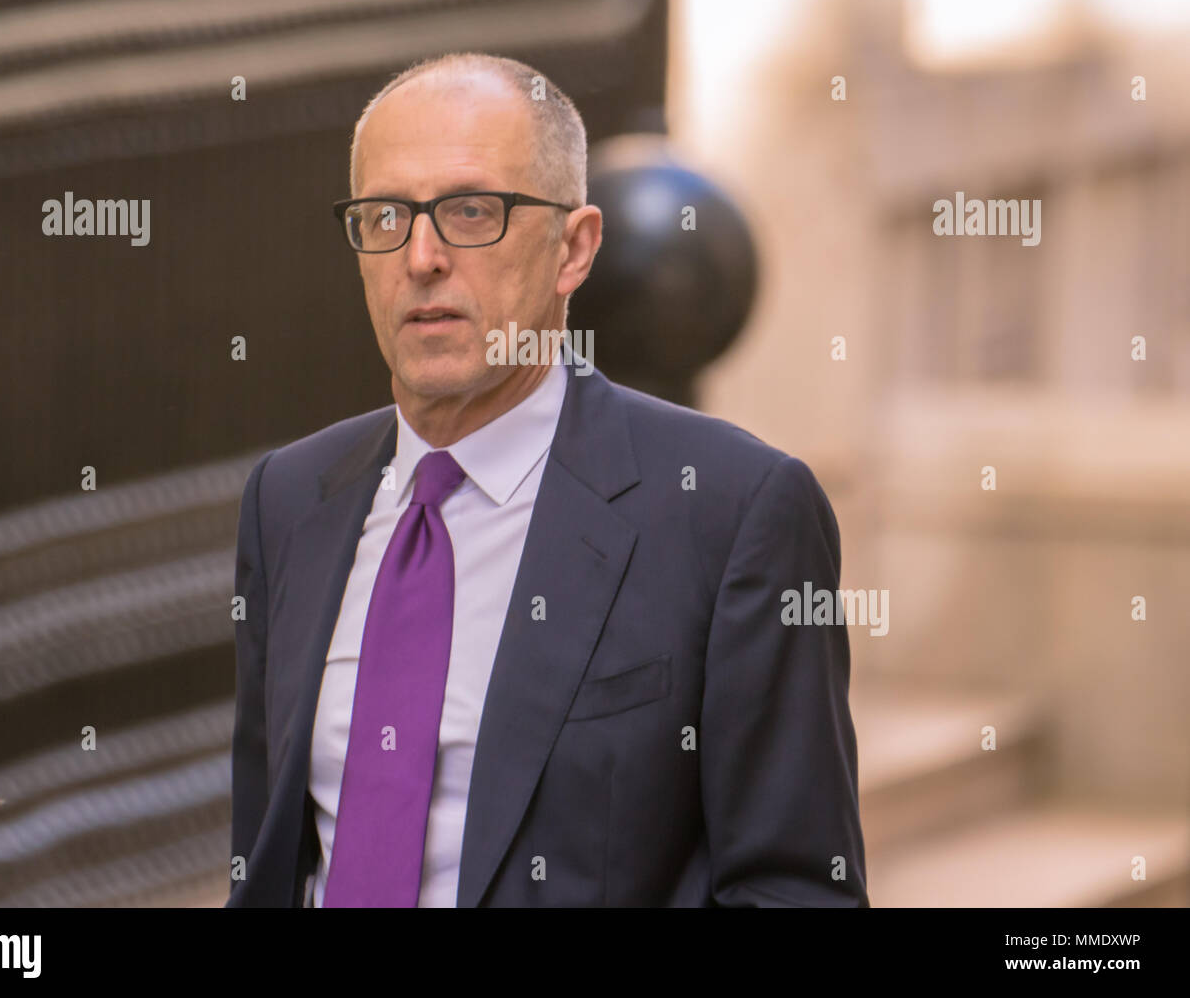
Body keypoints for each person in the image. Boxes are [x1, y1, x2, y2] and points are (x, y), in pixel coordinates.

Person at [226, 52, 868, 908]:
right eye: (385, 216)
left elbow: (798, 892)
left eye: (469, 212)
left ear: (575, 248)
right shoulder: (290, 499)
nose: (420, 257)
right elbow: (271, 859)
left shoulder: (733, 513)